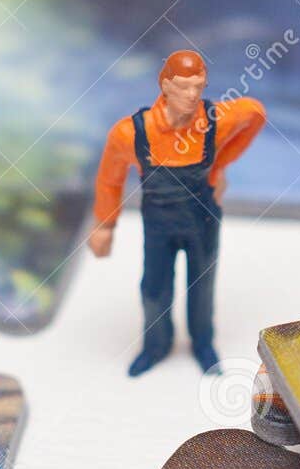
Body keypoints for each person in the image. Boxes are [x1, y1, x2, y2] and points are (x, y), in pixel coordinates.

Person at [88, 50, 265, 376]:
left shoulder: (215, 121)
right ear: (165, 85)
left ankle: (202, 342)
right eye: (183, 86)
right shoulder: (131, 132)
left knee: (202, 285)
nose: (192, 95)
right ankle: (156, 345)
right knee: (154, 287)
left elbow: (254, 113)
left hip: (203, 220)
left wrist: (220, 164)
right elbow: (109, 178)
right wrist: (105, 225)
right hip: (158, 224)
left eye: (199, 86)